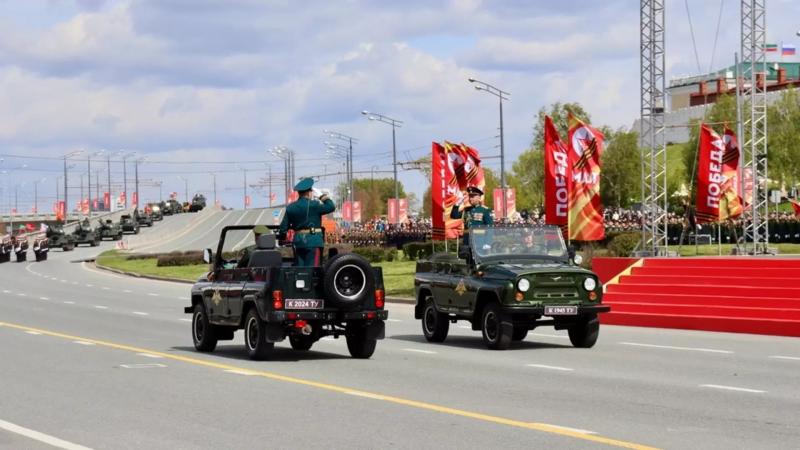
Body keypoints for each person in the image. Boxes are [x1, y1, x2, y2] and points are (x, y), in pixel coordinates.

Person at [279, 178, 335, 266]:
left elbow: (283, 228)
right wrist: (321, 196)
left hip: (298, 242)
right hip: (314, 241)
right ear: (309, 192)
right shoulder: (314, 205)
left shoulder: (291, 207)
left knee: (300, 269)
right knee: (313, 269)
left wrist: (282, 238)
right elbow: (331, 206)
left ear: (299, 193)